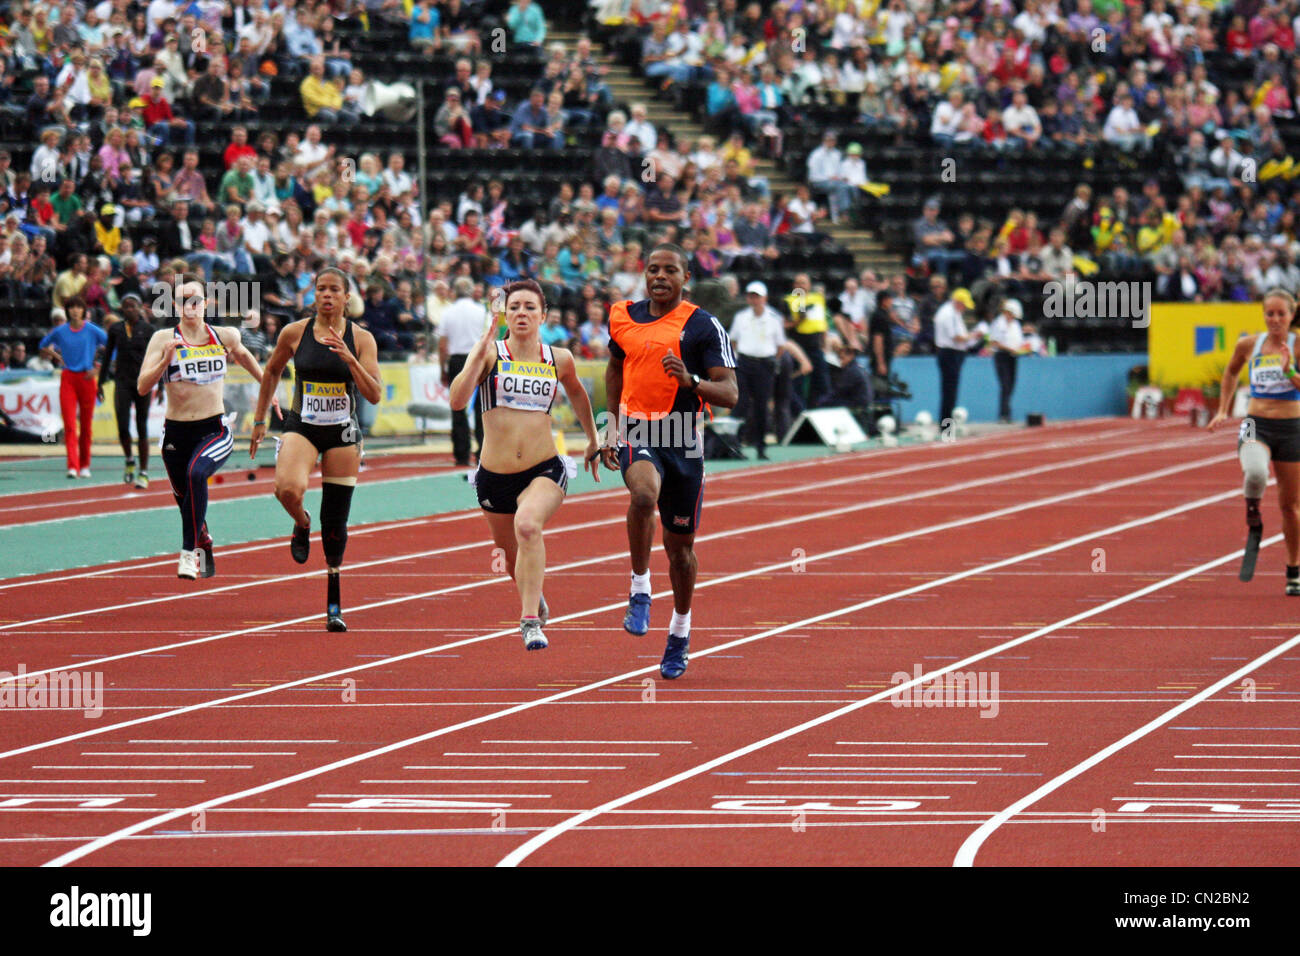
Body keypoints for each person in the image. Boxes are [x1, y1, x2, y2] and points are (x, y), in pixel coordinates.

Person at [597, 244, 738, 679]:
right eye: (653, 269)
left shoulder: (702, 326)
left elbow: (730, 394)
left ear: (686, 276)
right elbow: (615, 369)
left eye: (670, 270)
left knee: (681, 550)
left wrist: (691, 380)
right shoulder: (622, 315)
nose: (660, 276)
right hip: (638, 430)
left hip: (683, 439)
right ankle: (640, 589)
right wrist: (609, 427)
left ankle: (680, 630)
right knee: (642, 494)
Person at [449, 279, 602, 651]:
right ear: (505, 313)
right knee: (510, 552)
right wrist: (479, 350)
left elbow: (578, 394)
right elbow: (456, 400)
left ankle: (529, 620)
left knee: (529, 526)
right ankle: (534, 593)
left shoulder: (558, 359)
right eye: (514, 306)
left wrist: (594, 440)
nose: (522, 313)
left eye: (530, 308)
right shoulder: (489, 354)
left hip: (544, 469)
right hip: (493, 477)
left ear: (543, 316)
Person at [250, 267, 382, 631]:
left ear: (346, 298)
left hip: (341, 433)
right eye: (320, 289)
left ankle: (334, 603)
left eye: (333, 289)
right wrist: (261, 420)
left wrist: (350, 359)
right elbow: (272, 371)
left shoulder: (362, 338)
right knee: (287, 489)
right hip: (302, 425)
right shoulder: (295, 333)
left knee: (336, 522)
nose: (326, 295)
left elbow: (373, 394)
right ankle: (300, 521)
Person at [137, 274, 271, 580]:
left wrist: (269, 390)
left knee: (197, 474)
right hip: (175, 434)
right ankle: (204, 541)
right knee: (187, 501)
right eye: (184, 301)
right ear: (175, 304)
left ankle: (188, 555)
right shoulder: (163, 338)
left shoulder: (224, 335)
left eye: (196, 300)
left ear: (206, 303)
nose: (191, 306)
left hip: (215, 429)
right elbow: (143, 386)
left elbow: (245, 356)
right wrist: (165, 360)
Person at [1208, 289, 1300, 592]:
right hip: (1254, 423)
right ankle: (1253, 512)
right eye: (1269, 313)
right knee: (1256, 472)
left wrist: (1290, 372)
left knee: (1291, 507)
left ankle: (1293, 569)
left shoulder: (1298, 345)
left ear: (1291, 315)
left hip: (1292, 427)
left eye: (1280, 314)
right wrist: (1223, 408)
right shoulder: (1249, 344)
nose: (1274, 320)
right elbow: (1231, 372)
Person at [38, 297, 108, 478]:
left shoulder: (92, 330)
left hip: (86, 377)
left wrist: (98, 366)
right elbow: (42, 345)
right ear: (67, 311)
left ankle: (84, 465)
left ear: (83, 310)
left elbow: (112, 346)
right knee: (69, 424)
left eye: (79, 307)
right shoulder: (60, 331)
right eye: (72, 308)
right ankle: (72, 465)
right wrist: (58, 357)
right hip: (68, 378)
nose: (75, 311)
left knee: (86, 426)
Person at [98, 293, 156, 487]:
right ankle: (130, 459)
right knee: (123, 426)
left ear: (139, 308)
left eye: (132, 306)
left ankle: (144, 472)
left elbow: (158, 358)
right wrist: (100, 383)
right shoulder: (115, 329)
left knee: (142, 427)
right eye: (125, 306)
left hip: (142, 382)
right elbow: (107, 358)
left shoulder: (148, 329)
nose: (129, 309)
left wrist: (162, 385)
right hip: (122, 382)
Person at [729, 280, 786, 458]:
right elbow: (734, 340)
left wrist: (771, 361)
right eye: (751, 296)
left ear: (764, 298)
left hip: (764, 365)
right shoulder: (741, 317)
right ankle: (735, 445)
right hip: (745, 363)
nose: (754, 300)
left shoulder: (774, 318)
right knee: (741, 404)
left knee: (762, 407)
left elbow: (780, 345)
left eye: (757, 297)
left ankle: (760, 447)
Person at [439, 276, 489, 465]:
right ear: (470, 291)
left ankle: (461, 453)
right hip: (478, 358)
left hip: (457, 359)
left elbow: (443, 344)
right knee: (481, 407)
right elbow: (488, 338)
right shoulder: (480, 311)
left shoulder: (448, 312)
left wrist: (442, 367)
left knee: (457, 406)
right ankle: (483, 452)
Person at [932, 287, 979, 427]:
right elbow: (956, 337)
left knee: (951, 391)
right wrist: (973, 336)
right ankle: (946, 425)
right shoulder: (948, 314)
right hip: (949, 353)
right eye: (964, 305)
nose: (964, 308)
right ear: (958, 302)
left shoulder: (953, 313)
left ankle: (947, 423)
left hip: (953, 353)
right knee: (949, 391)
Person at [988, 298, 1027, 423]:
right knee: (1005, 384)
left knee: (1011, 384)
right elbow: (994, 342)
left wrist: (1023, 349)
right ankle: (1004, 414)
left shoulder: (1015, 324)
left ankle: (1007, 412)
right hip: (1002, 356)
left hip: (1013, 356)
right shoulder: (998, 323)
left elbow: (1019, 341)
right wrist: (1009, 348)